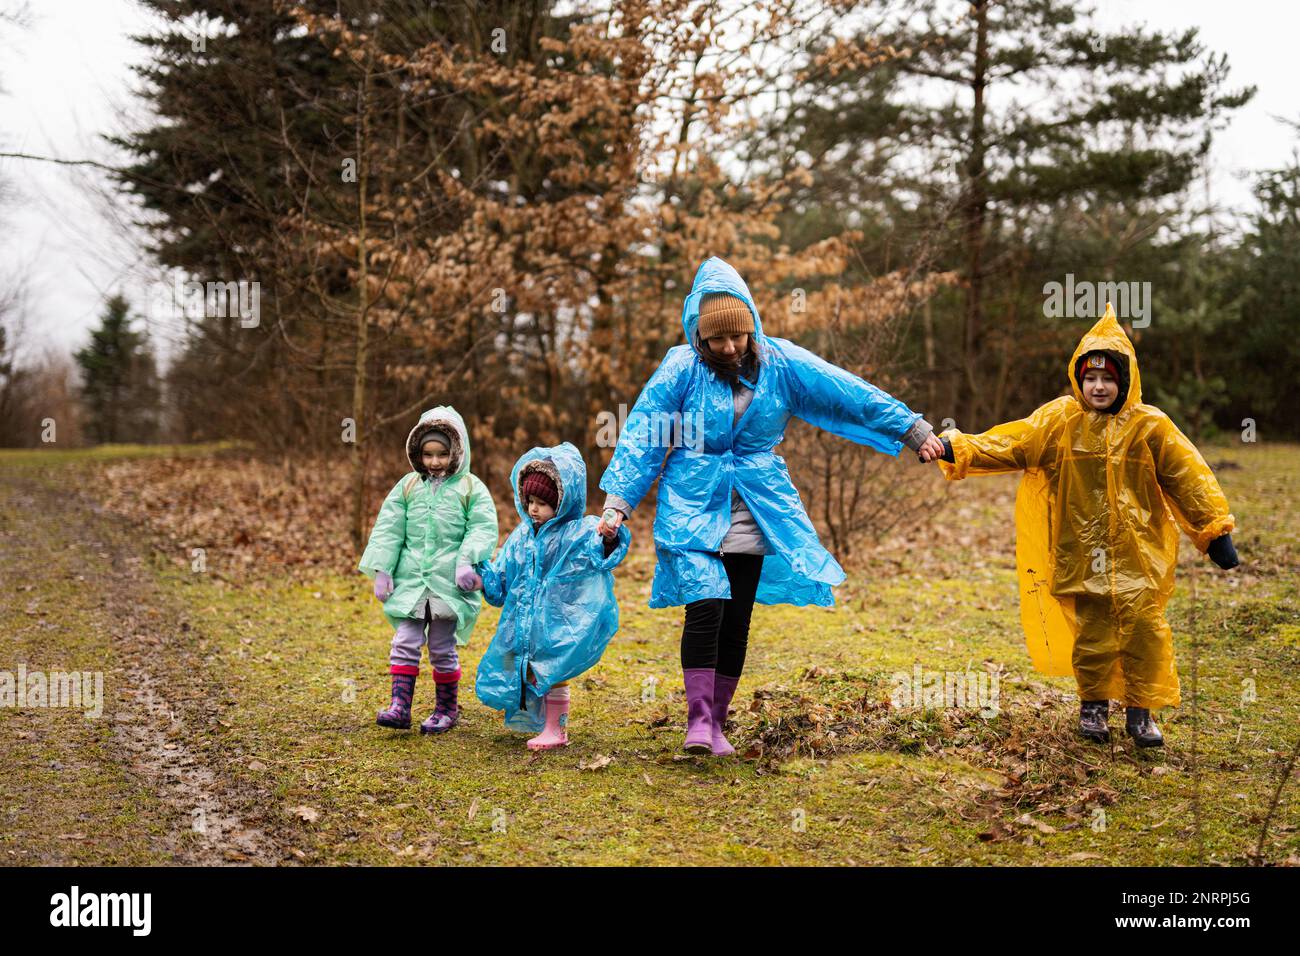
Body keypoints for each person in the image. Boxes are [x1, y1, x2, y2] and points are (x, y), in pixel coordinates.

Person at [597, 256, 944, 755]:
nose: (729, 347)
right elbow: (644, 435)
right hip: (693, 500)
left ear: (751, 325)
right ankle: (696, 721)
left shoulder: (780, 363)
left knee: (736, 614)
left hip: (756, 502)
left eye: (737, 336)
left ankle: (717, 721)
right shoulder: (681, 367)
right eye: (717, 339)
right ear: (700, 336)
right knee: (705, 604)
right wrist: (618, 504)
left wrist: (912, 429)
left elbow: (846, 392)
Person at [936, 305, 1240, 747]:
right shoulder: (1060, 421)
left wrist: (1214, 531)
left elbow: (1188, 477)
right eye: (1090, 378)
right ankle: (1093, 707)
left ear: (1125, 380)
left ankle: (1142, 713)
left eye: (1108, 378)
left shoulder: (1150, 426)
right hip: (1081, 553)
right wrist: (956, 448)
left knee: (1145, 630)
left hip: (1141, 554)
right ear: (1078, 380)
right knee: (1093, 636)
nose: (1098, 386)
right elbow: (1010, 443)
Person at [474, 442, 631, 750]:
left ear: (562, 501)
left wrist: (607, 536)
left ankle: (556, 729)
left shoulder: (575, 532)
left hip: (559, 621)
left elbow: (597, 550)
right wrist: (481, 573)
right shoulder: (522, 536)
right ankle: (535, 720)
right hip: (523, 621)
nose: (534, 508)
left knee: (553, 671)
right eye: (530, 500)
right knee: (525, 669)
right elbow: (503, 578)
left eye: (543, 503)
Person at [358, 406, 499, 733]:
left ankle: (446, 709)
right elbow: (389, 528)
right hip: (411, 582)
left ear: (457, 451)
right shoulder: (408, 487)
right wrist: (383, 567)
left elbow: (482, 527)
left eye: (442, 454)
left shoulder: (470, 488)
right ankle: (400, 706)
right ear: (418, 454)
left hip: (448, 584)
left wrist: (466, 560)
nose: (435, 461)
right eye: (428, 454)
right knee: (404, 641)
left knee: (440, 647)